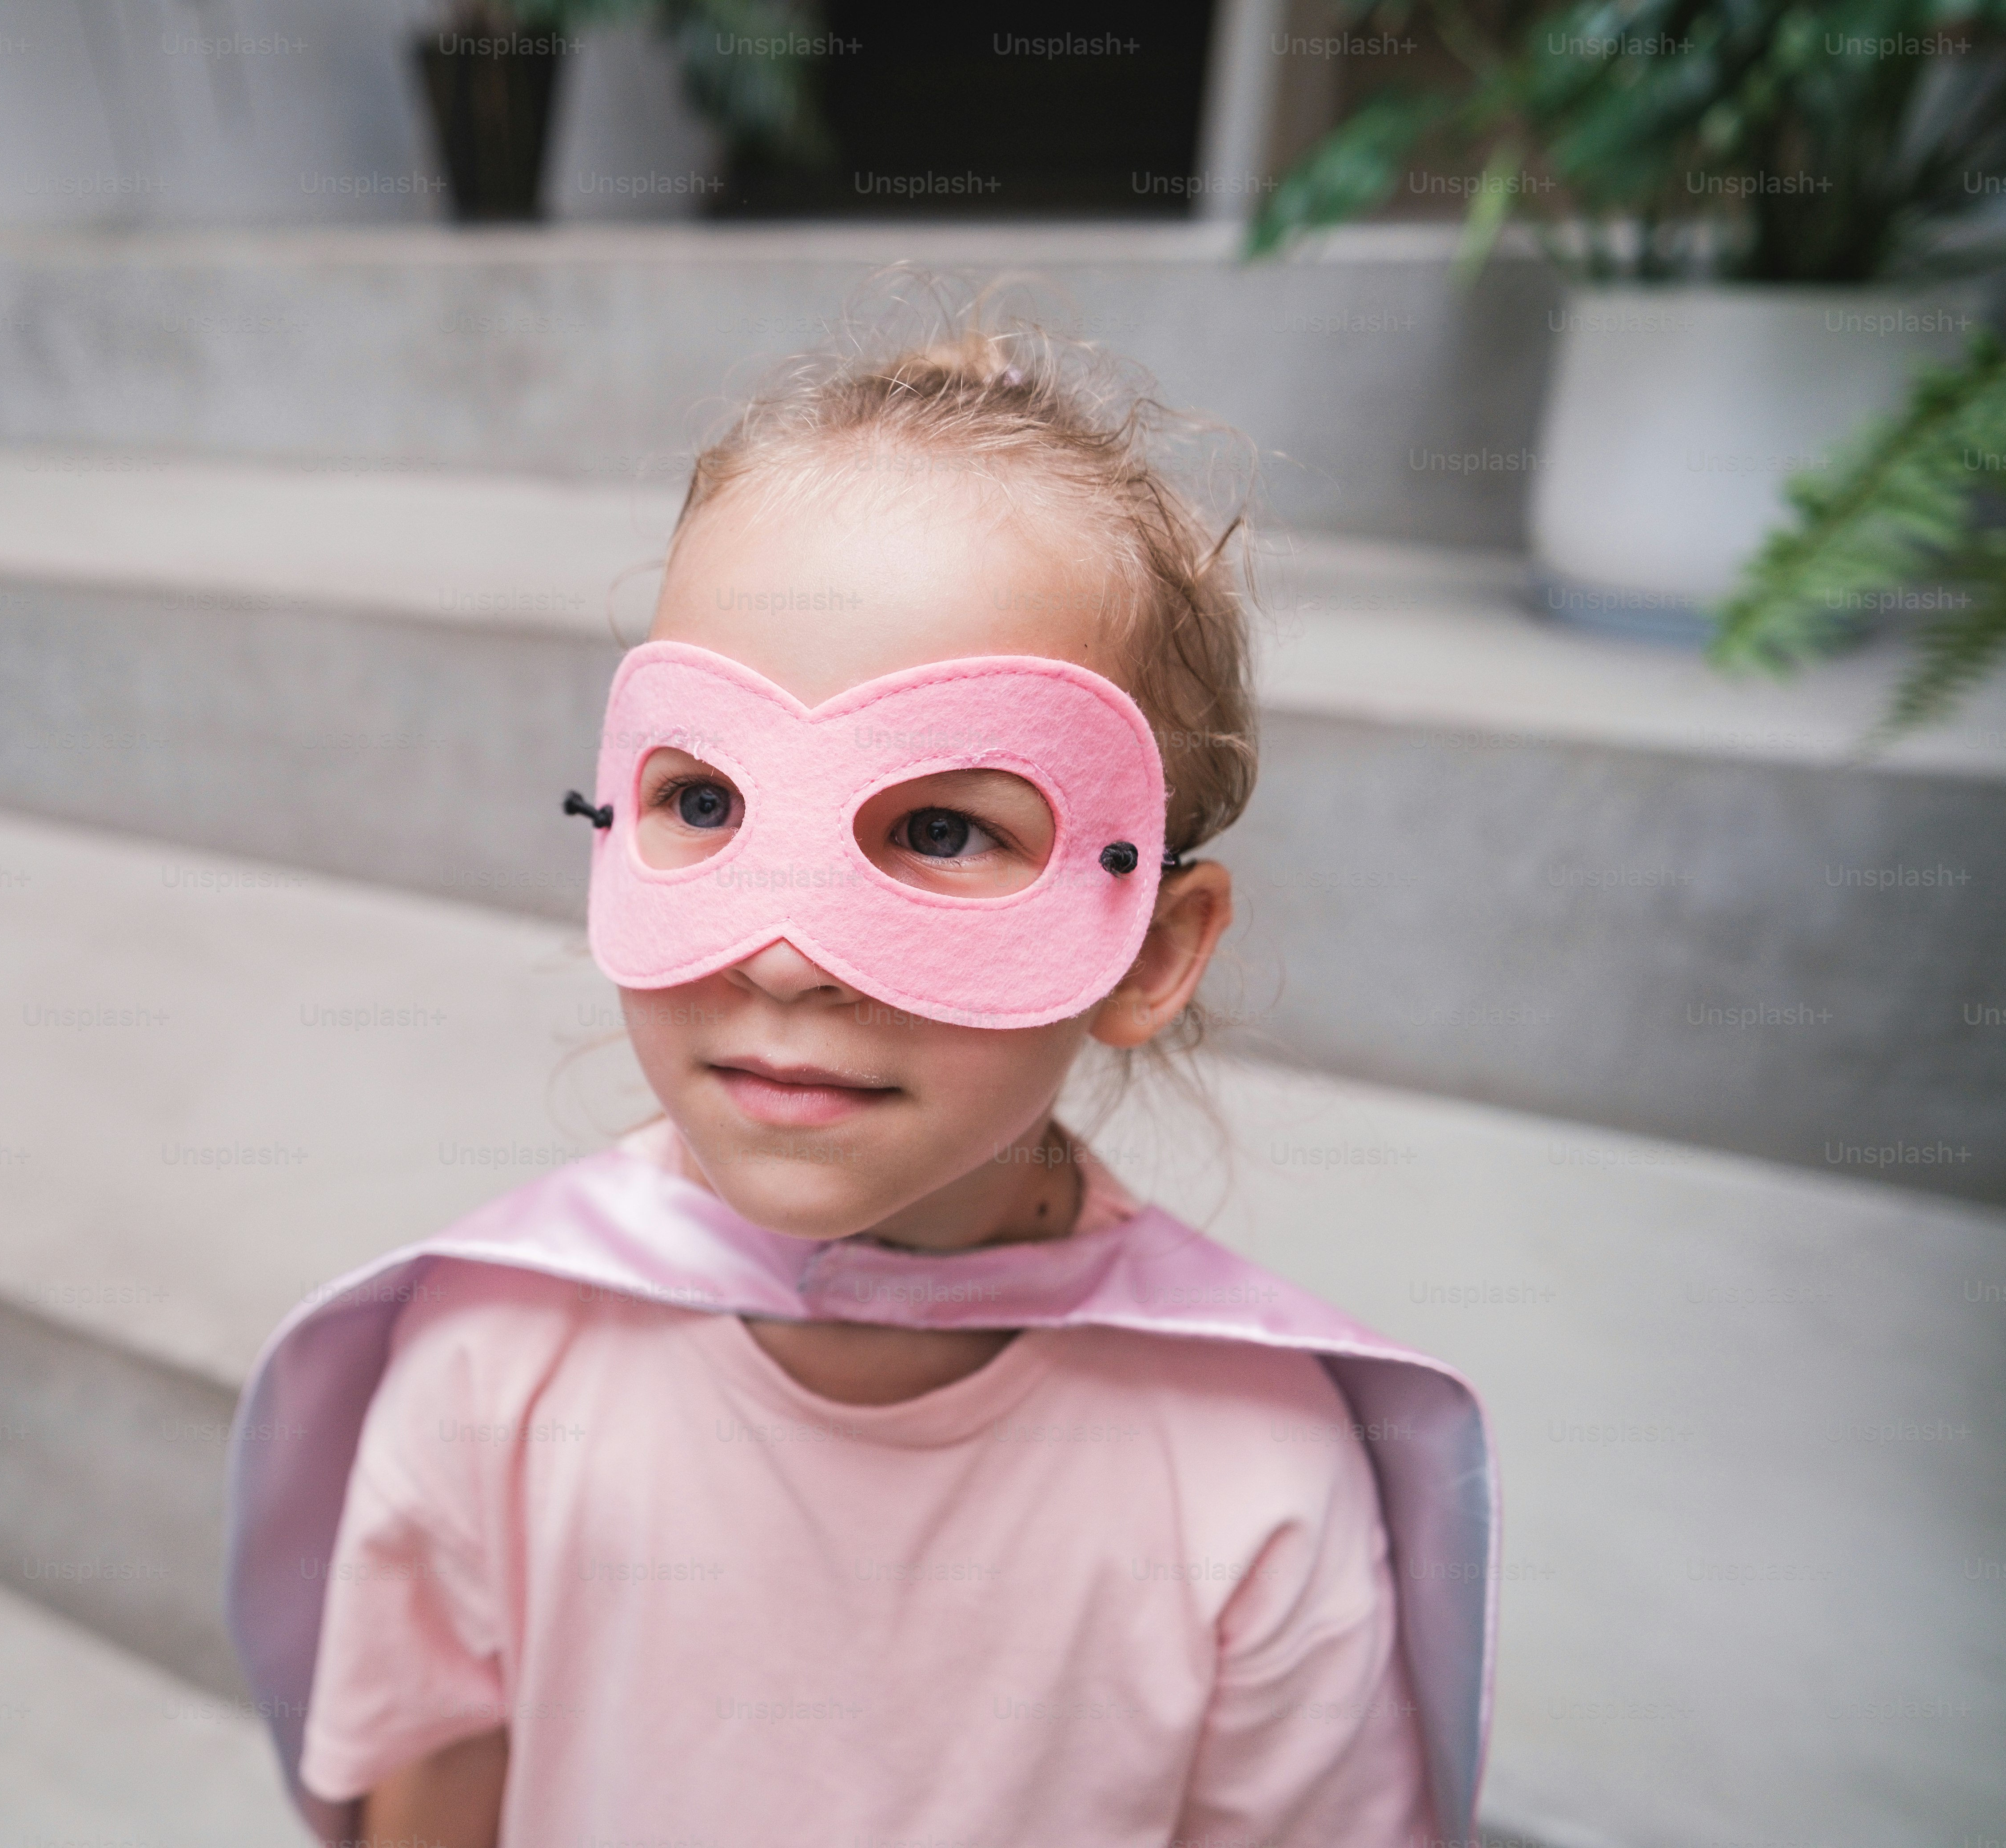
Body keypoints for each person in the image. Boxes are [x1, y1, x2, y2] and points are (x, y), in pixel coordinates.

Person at [226, 315, 1497, 1848]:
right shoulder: (497, 1367)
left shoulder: (1256, 1480)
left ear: (1156, 951)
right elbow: (434, 1797)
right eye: (704, 799)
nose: (783, 963)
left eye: (946, 830)